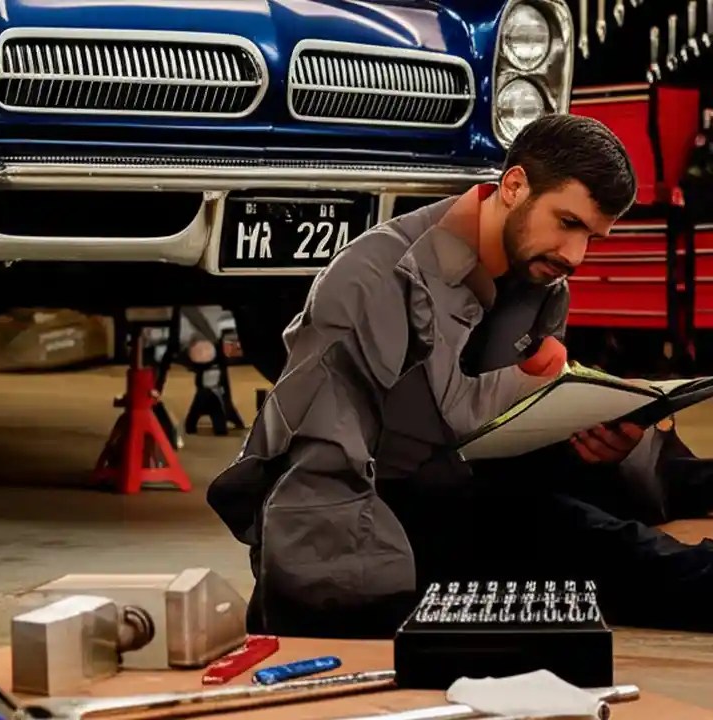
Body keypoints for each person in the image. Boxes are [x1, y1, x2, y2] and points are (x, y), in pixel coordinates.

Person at [208, 114, 713, 638]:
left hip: (479, 473)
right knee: (595, 542)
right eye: (568, 223)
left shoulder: (540, 276)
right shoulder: (375, 278)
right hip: (394, 514)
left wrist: (604, 441)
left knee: (641, 463)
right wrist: (340, 608)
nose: (576, 256)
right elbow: (316, 466)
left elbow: (515, 421)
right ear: (514, 186)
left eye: (593, 237)